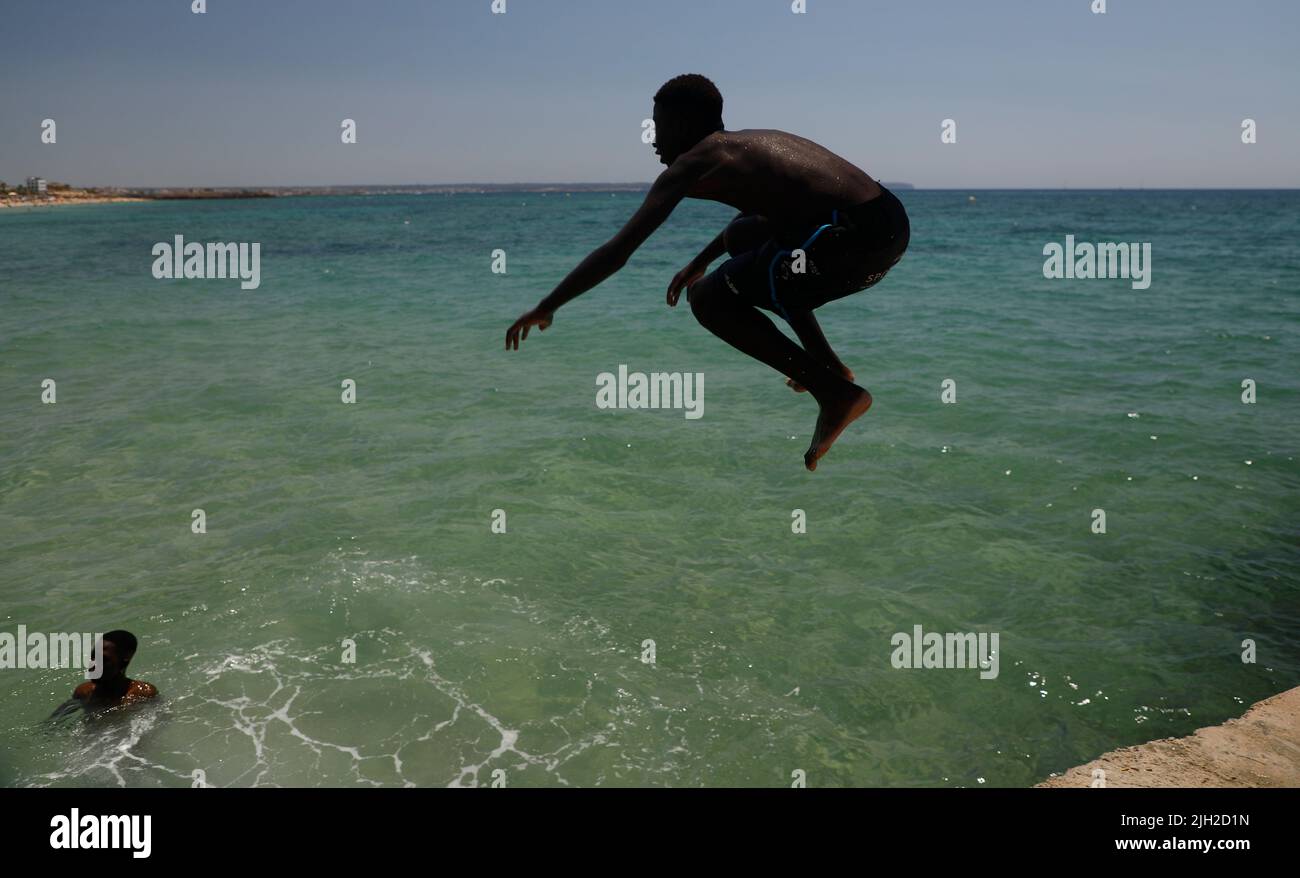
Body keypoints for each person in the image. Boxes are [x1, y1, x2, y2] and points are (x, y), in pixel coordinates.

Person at [506, 73, 909, 470]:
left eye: (658, 129)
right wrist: (701, 260)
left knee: (710, 298)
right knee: (741, 239)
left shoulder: (693, 165)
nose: (654, 142)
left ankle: (836, 393)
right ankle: (831, 367)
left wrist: (548, 305)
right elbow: (767, 213)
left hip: (852, 242)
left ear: (683, 125)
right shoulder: (742, 149)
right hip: (884, 226)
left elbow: (618, 251)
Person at [48, 630, 158, 719]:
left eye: (103, 659)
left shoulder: (142, 694)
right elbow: (53, 723)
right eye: (92, 657)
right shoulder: (84, 692)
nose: (92, 665)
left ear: (125, 658)